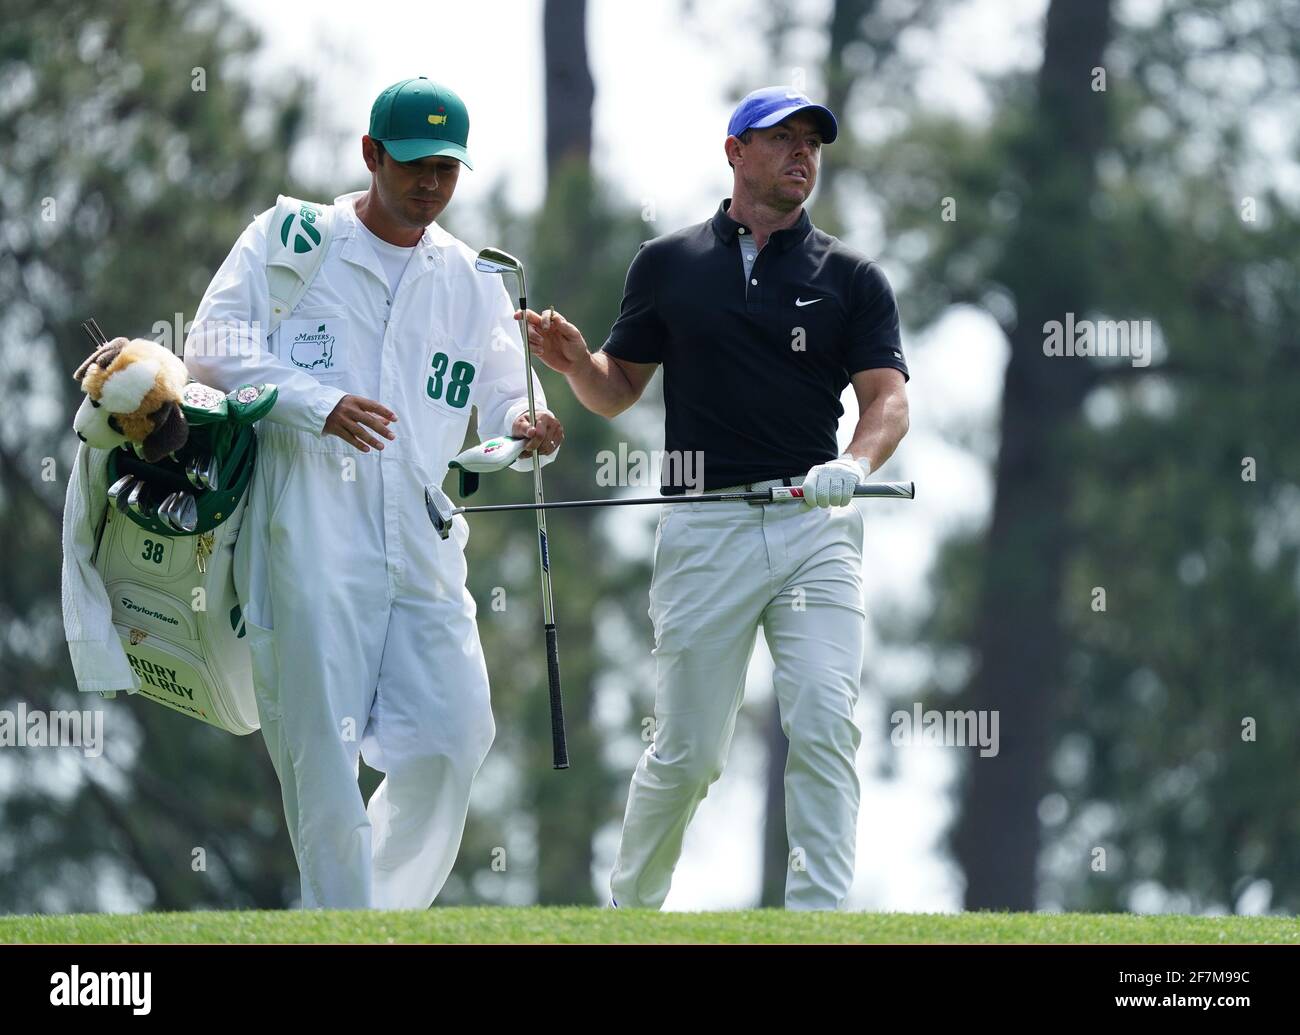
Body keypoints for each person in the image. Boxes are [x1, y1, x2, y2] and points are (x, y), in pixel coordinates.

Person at [518, 86, 909, 909]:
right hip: (704, 530)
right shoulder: (668, 264)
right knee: (689, 751)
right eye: (783, 139)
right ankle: (630, 915)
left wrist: (855, 460)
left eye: (813, 142)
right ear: (735, 152)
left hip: (816, 522)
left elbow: (888, 401)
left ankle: (820, 923)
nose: (803, 154)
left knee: (825, 720)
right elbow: (616, 389)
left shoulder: (851, 277)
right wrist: (574, 362)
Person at [184, 77, 563, 909]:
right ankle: (345, 926)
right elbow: (210, 349)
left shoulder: (472, 276)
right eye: (415, 164)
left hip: (426, 542)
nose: (431, 183)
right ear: (370, 154)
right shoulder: (291, 239)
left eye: (447, 169)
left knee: (455, 736)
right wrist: (315, 404)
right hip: (307, 534)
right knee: (323, 755)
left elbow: (505, 399)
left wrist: (529, 427)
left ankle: (366, 919)